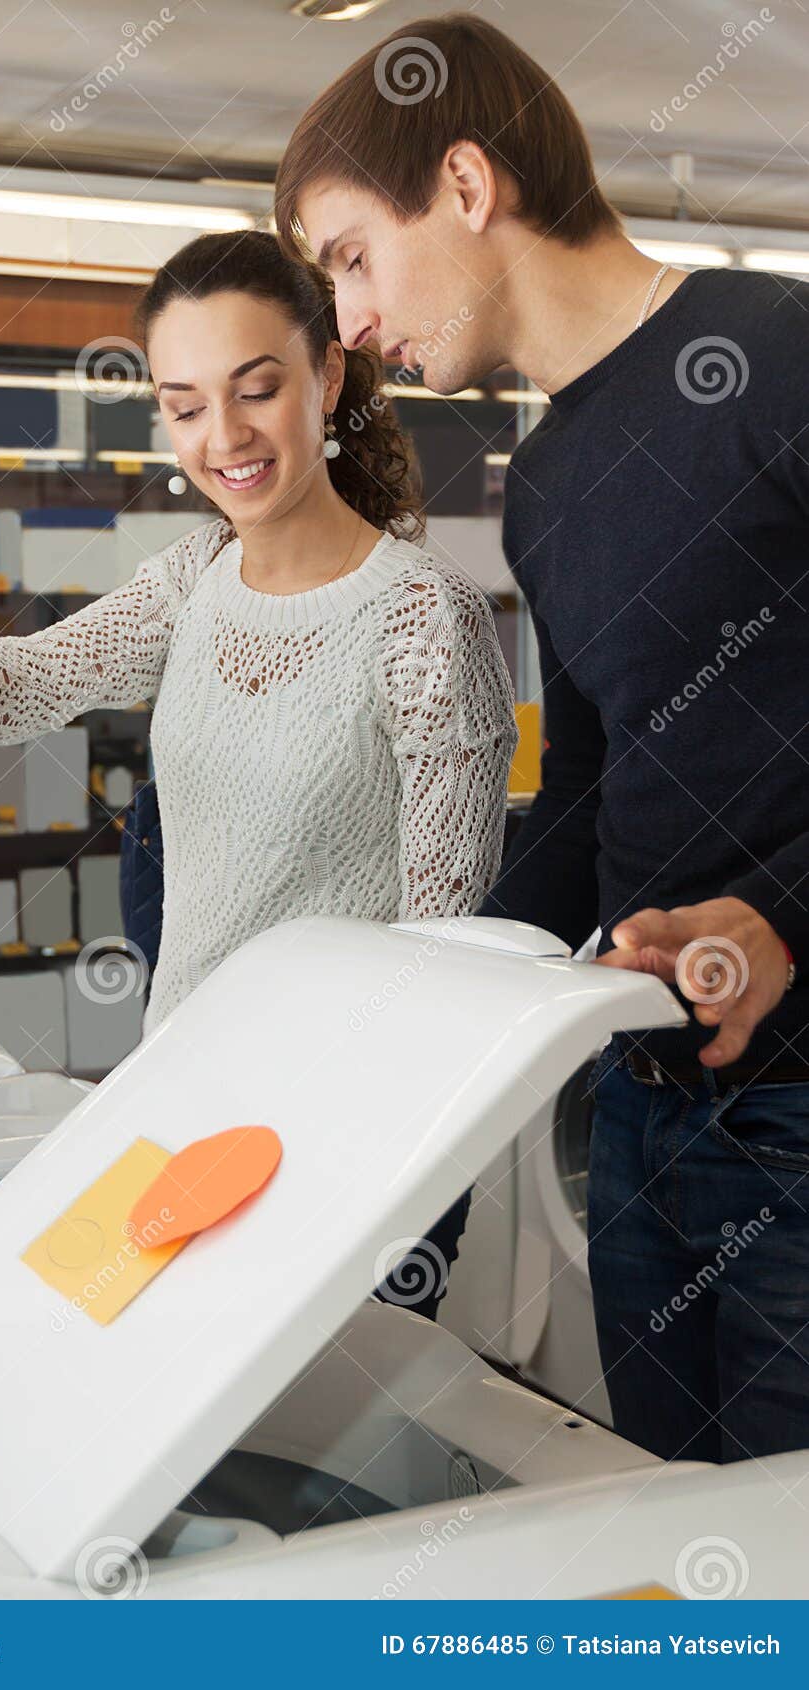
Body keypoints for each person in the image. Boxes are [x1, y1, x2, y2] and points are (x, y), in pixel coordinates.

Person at [0, 228, 518, 1310]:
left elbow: (442, 953)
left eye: (255, 390)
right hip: (177, 1107)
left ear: (327, 375)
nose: (224, 436)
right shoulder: (194, 574)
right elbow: (26, 679)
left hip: (342, 1145)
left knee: (330, 1460)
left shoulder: (422, 618)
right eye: (185, 402)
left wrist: (345, 1153)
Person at [275, 12, 809, 1462]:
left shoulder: (774, 357)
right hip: (644, 1107)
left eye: (349, 254)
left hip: (800, 1107)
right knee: (670, 1523)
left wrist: (779, 919)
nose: (352, 324)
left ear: (461, 182)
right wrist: (410, 997)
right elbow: (584, 795)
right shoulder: (549, 476)